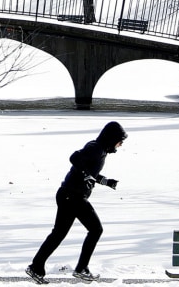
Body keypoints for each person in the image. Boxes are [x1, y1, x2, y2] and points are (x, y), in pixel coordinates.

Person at [26, 121, 127, 284]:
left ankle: (36, 267)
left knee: (58, 234)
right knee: (96, 230)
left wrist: (105, 181)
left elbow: (89, 171)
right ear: (111, 138)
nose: (121, 144)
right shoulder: (95, 148)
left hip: (69, 195)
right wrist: (86, 175)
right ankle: (81, 268)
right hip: (73, 196)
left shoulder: (101, 151)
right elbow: (74, 158)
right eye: (120, 140)